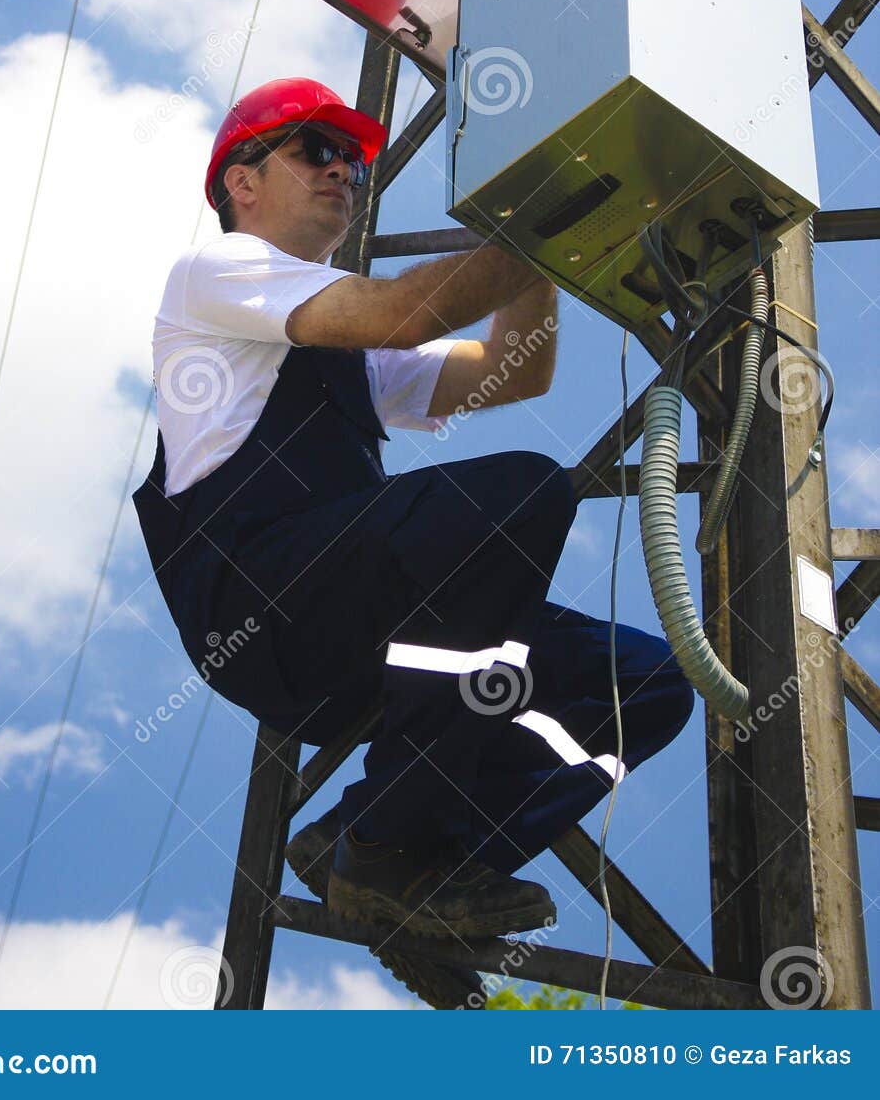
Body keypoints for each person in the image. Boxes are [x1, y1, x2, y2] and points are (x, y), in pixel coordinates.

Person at [133, 77, 695, 1002]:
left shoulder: (342, 347)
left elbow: (513, 373)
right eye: (315, 149)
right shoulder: (215, 273)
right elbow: (407, 311)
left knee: (644, 687)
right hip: (262, 607)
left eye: (354, 159)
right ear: (241, 181)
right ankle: (393, 846)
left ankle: (399, 854)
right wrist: (540, 213)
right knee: (518, 494)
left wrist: (537, 257)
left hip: (357, 620)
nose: (345, 171)